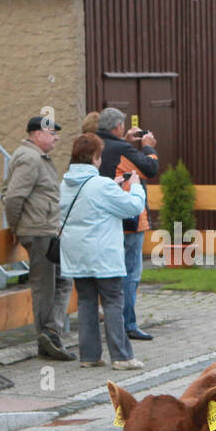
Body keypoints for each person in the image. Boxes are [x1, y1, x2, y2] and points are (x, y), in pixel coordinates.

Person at [58, 133, 147, 369]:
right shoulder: (101, 184)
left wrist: (114, 187)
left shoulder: (65, 183)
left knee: (86, 302)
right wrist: (136, 188)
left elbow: (90, 202)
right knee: (112, 302)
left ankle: (89, 356)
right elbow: (133, 207)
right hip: (103, 255)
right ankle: (122, 356)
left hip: (76, 254)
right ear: (95, 157)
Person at [3, 114, 74, 360]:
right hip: (37, 231)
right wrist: (16, 227)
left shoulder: (37, 158)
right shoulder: (30, 159)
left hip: (46, 229)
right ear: (36, 134)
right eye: (52, 133)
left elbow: (7, 191)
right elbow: (12, 197)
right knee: (45, 287)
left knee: (63, 280)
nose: (56, 138)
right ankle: (48, 336)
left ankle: (50, 332)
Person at [94, 109, 158, 343]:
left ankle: (111, 322)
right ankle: (127, 323)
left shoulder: (95, 145)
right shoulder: (122, 149)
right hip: (129, 219)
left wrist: (126, 143)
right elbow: (150, 169)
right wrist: (148, 147)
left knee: (106, 274)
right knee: (130, 274)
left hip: (102, 219)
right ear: (118, 126)